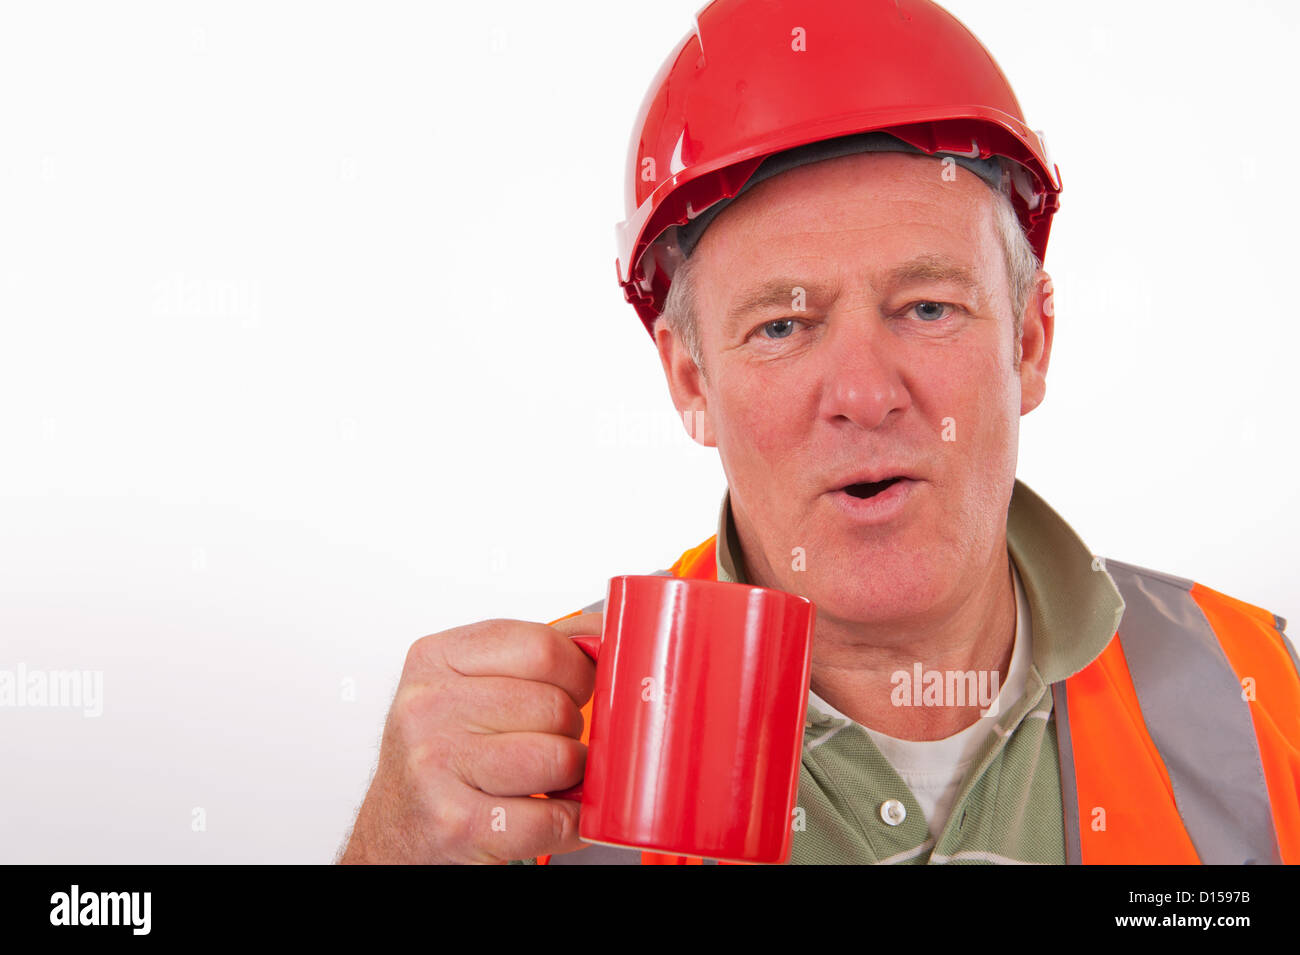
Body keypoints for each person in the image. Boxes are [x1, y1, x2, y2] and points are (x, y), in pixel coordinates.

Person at [337, 0, 1299, 866]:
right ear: (690, 379)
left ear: (1032, 341)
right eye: (783, 326)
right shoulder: (518, 765)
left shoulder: (1258, 693)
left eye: (926, 306)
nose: (864, 393)